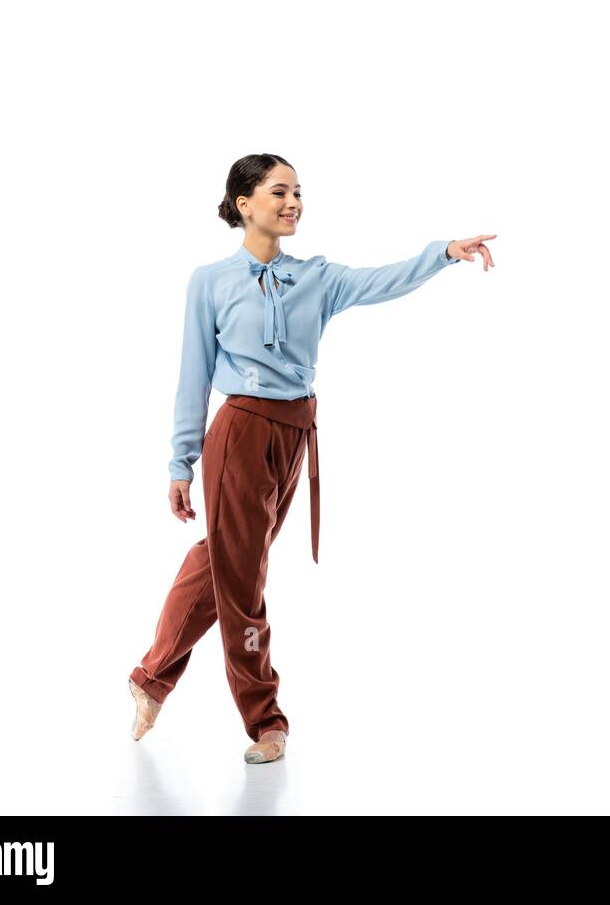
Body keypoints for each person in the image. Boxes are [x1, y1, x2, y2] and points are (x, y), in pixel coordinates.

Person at [128, 152, 496, 763]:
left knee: (223, 560)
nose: (294, 202)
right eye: (279, 192)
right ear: (245, 204)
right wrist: (179, 463)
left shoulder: (317, 278)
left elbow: (385, 280)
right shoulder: (211, 281)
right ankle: (265, 720)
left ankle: (150, 677)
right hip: (241, 431)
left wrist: (443, 253)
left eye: (299, 191)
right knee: (243, 575)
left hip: (297, 433)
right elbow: (192, 376)